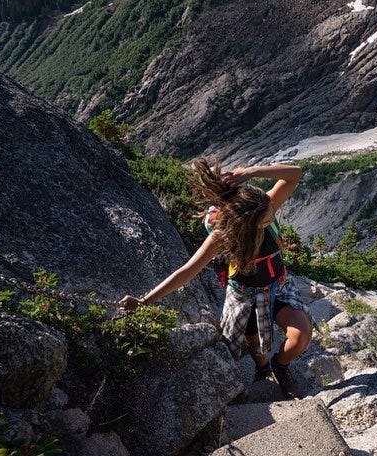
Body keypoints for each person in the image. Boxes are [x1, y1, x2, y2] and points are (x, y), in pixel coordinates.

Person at [118, 159, 312, 399]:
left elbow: (296, 173)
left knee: (301, 336)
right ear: (248, 225)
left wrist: (251, 172)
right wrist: (144, 301)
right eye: (267, 216)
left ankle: (280, 365)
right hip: (243, 294)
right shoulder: (223, 236)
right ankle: (262, 368)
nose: (272, 214)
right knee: (253, 342)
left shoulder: (264, 207)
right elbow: (186, 272)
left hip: (277, 285)